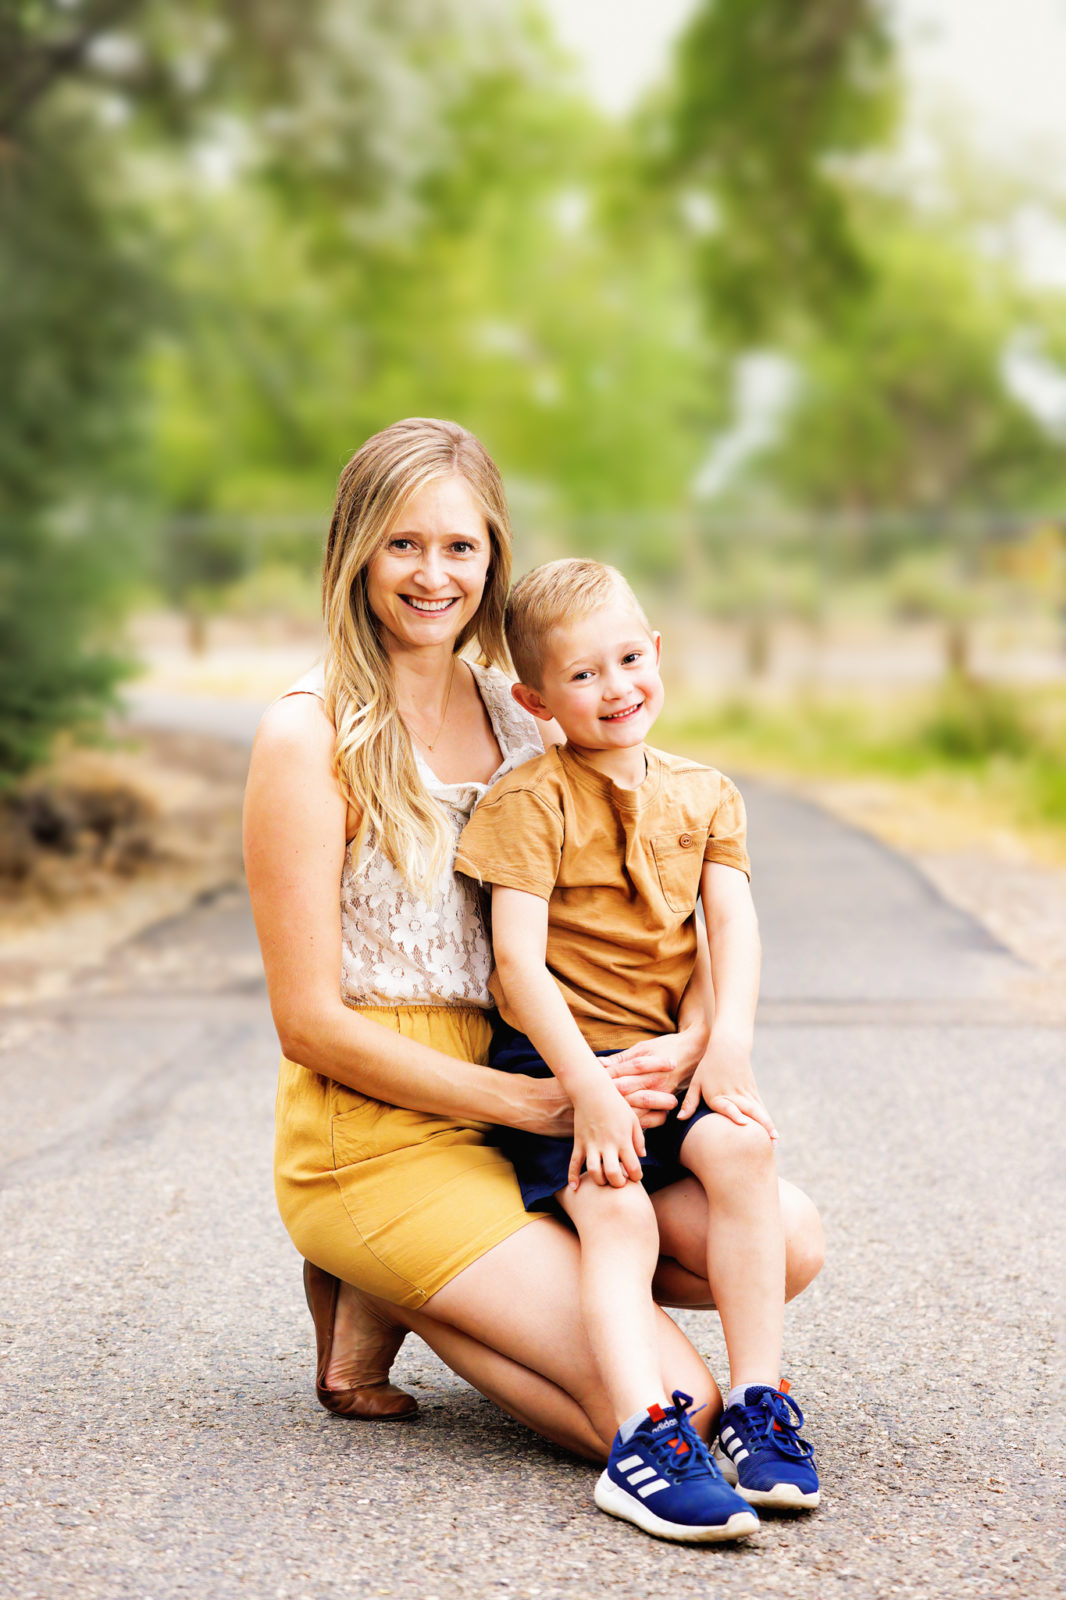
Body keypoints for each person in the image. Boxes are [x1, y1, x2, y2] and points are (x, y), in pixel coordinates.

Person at [243, 417, 824, 1476]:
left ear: (492, 556)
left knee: (785, 1242)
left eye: (460, 546)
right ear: (353, 551)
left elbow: (651, 907)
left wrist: (690, 1044)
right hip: (380, 1128)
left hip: (533, 1068)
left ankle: (412, 1282)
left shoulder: (525, 718)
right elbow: (307, 1023)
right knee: (680, 1405)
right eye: (401, 544)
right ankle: (397, 1272)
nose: (433, 574)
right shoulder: (308, 734)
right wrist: (541, 1103)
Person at [454, 558, 821, 1542]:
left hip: (675, 1050)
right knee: (614, 1211)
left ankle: (754, 1403)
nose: (616, 686)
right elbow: (518, 969)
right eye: (582, 675)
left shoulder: (705, 793)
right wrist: (588, 1089)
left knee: (742, 1147)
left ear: (656, 653)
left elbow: (730, 928)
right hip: (566, 1062)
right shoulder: (527, 801)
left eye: (628, 658)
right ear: (535, 701)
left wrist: (724, 1045)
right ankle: (640, 1437)